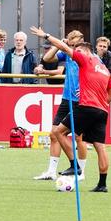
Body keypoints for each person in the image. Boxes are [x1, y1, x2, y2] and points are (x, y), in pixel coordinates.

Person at [31, 27, 111, 191]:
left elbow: (63, 48)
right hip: (101, 110)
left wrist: (46, 35)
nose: (75, 51)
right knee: (100, 146)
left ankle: (75, 166)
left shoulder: (85, 58)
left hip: (85, 105)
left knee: (59, 132)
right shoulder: (104, 68)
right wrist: (101, 104)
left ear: (85, 51)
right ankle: (102, 184)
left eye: (78, 49)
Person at [32, 30, 84, 180]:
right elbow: (47, 58)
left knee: (78, 138)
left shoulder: (86, 55)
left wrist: (85, 89)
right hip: (66, 99)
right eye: (70, 42)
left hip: (80, 100)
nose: (72, 45)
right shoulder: (66, 53)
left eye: (74, 42)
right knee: (54, 134)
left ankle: (81, 171)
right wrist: (59, 44)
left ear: (80, 41)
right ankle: (51, 172)